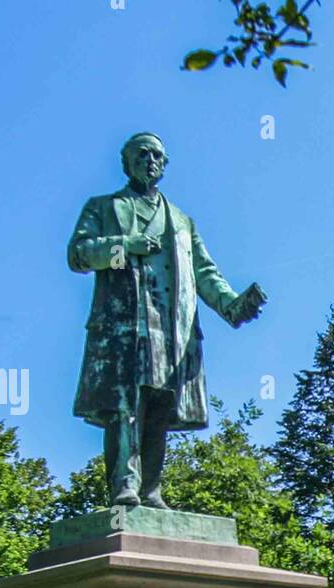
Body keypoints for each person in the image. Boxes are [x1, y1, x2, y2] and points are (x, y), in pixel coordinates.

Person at [67, 132, 266, 508]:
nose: (150, 161)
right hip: (123, 328)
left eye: (157, 155)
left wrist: (232, 306)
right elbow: (78, 255)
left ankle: (151, 489)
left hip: (172, 331)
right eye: (141, 154)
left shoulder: (181, 221)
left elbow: (204, 273)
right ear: (125, 162)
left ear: (165, 164)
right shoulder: (103, 207)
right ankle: (124, 485)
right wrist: (124, 247)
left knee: (159, 409)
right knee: (125, 406)